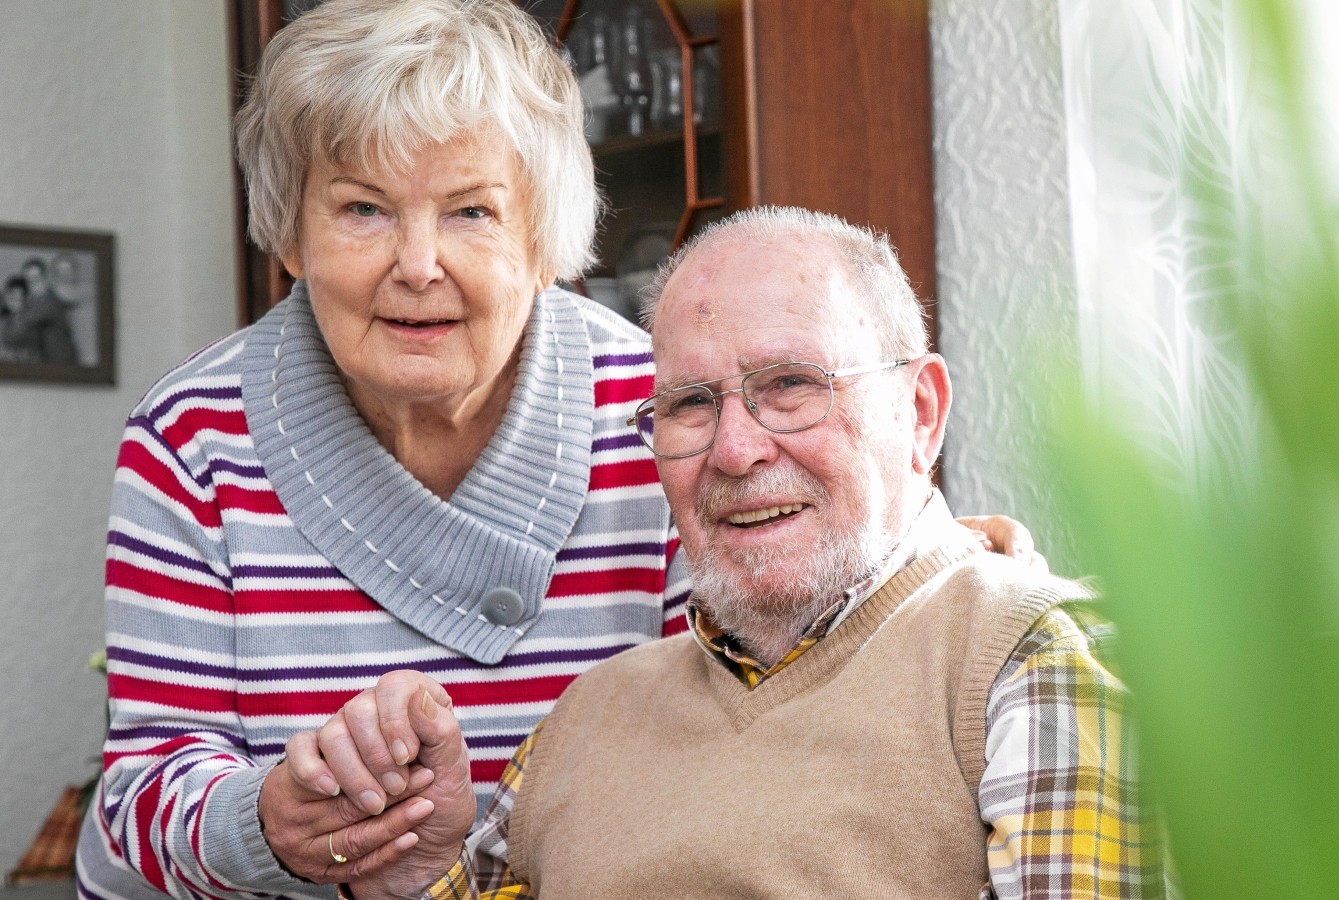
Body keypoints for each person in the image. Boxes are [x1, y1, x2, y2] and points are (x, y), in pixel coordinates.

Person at [75, 4, 1035, 899]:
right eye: (363, 209)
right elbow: (138, 794)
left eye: (472, 212)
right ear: (291, 232)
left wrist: (941, 571)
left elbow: (772, 694)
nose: (417, 264)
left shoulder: (669, 409)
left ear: (546, 239)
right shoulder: (192, 438)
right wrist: (266, 823)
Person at [304, 208, 1174, 900]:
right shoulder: (586, 717)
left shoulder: (1030, 661)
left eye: (791, 385)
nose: (734, 449)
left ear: (921, 412)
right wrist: (415, 872)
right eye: (689, 403)